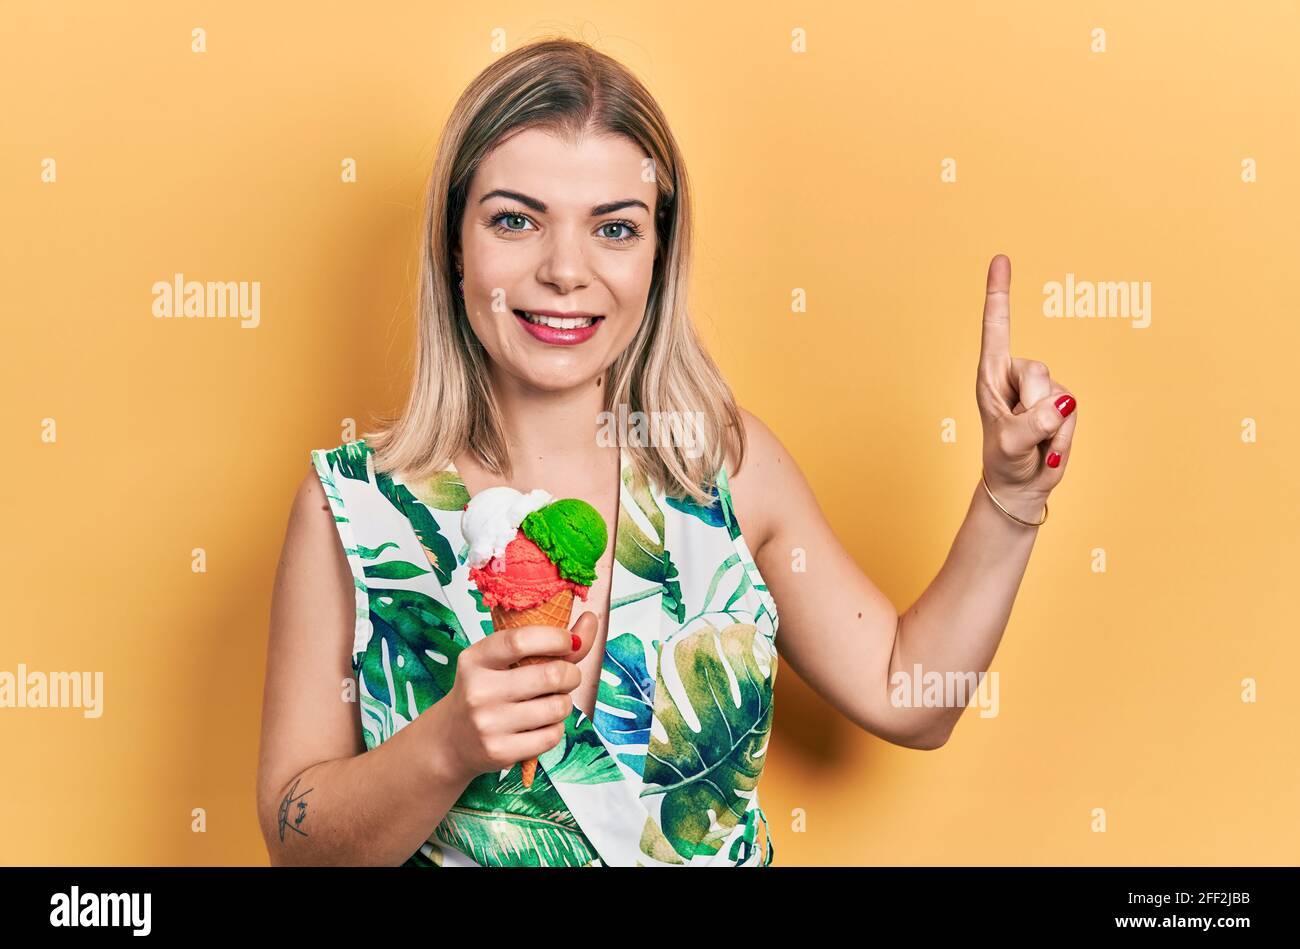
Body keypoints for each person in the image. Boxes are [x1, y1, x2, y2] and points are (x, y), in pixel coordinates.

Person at [256, 37, 1078, 867]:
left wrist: (1013, 497)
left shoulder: (724, 464)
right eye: (515, 219)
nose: (566, 271)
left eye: (614, 228)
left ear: (658, 254)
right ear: (454, 244)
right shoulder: (350, 509)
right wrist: (445, 748)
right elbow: (298, 844)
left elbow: (912, 698)